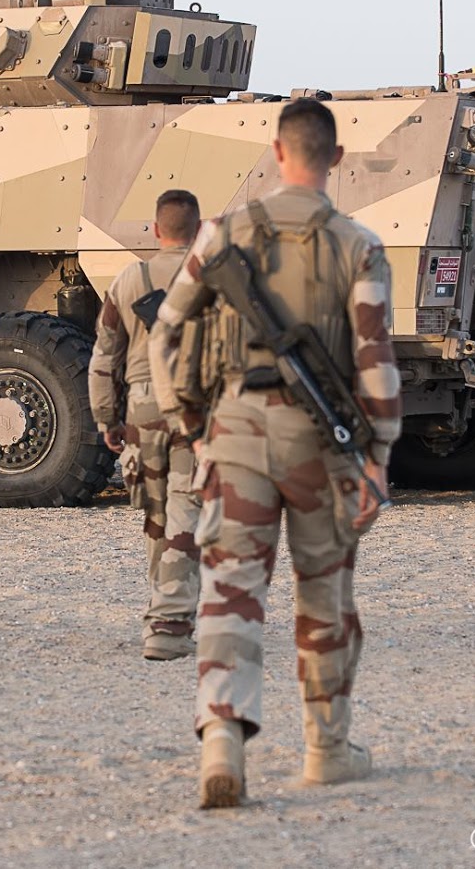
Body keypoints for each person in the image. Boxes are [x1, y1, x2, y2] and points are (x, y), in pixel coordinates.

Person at [147, 98, 402, 809]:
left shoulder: (221, 234)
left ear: (276, 150)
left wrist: (190, 425)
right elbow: (376, 361)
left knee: (231, 591)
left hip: (233, 436)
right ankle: (327, 751)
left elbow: (165, 333)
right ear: (336, 158)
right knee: (325, 595)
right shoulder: (358, 245)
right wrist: (378, 454)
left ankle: (223, 739)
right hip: (322, 447)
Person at [88, 189, 204, 661]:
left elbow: (103, 358)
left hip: (142, 410)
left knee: (157, 517)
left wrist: (106, 418)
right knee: (186, 512)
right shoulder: (216, 279)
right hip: (197, 409)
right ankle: (169, 625)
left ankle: (165, 606)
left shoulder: (128, 280)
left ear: (156, 229)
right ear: (198, 230)